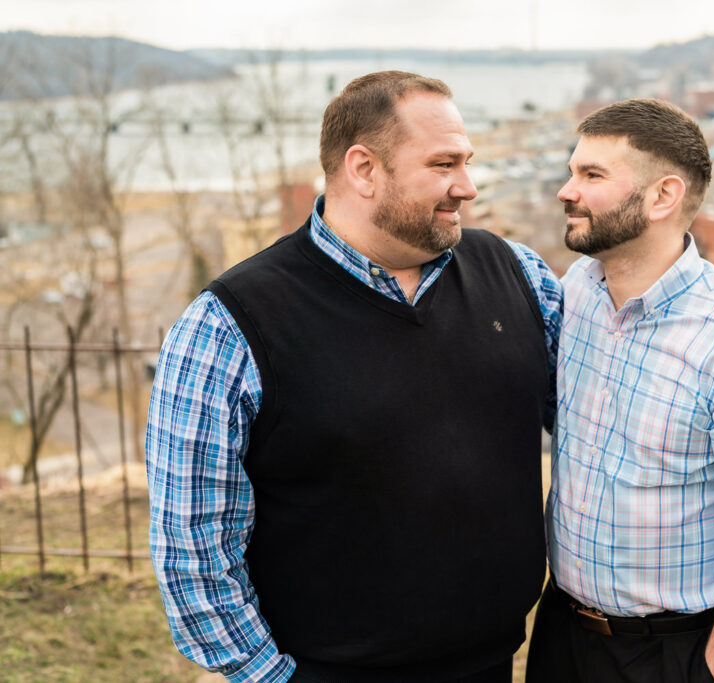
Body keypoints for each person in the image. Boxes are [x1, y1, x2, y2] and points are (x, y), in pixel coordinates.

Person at [146, 71, 562, 683]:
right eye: (443, 164)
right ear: (363, 169)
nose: (467, 187)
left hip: (494, 662)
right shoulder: (230, 325)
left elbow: (601, 428)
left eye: (467, 162)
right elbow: (193, 547)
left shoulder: (518, 273)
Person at [525, 99, 714, 683]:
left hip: (669, 655)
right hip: (561, 633)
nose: (566, 190)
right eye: (572, 170)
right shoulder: (579, 288)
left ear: (663, 197)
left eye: (592, 175)